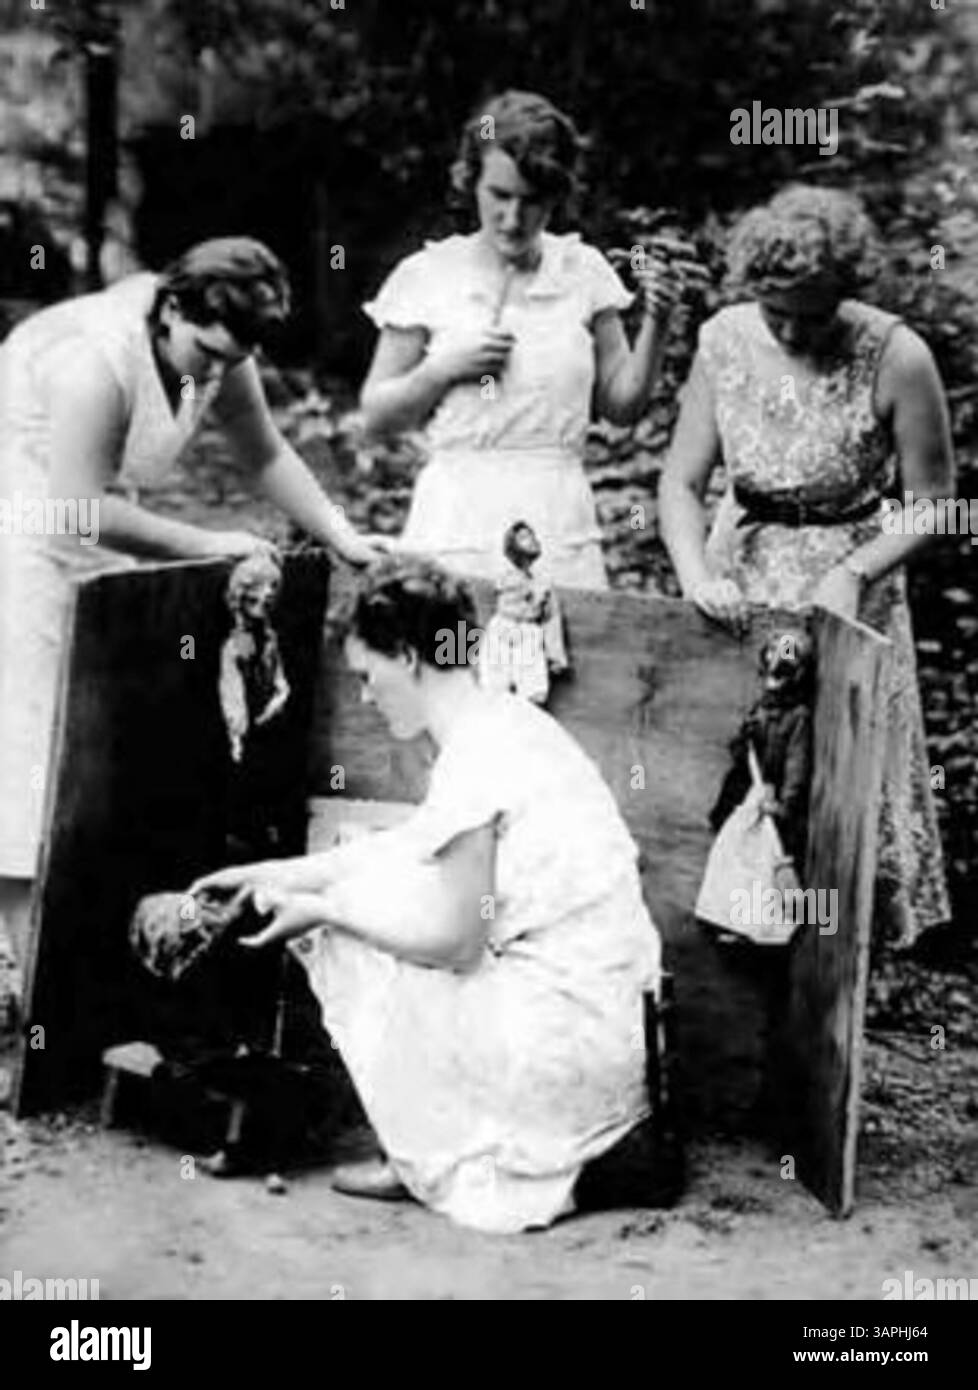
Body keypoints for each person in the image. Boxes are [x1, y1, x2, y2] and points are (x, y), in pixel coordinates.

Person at [192, 556, 668, 1233]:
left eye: (368, 676)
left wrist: (325, 907)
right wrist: (275, 873)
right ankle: (436, 1146)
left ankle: (439, 1157)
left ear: (410, 657)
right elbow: (409, 846)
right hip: (601, 1027)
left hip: (569, 1045)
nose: (364, 696)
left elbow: (456, 939)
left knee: (342, 932)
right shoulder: (500, 720)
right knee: (364, 887)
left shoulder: (478, 752)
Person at [0, 236, 380, 961]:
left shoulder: (220, 347)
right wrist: (206, 543)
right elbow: (78, 509)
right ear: (172, 308)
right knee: (24, 753)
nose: (217, 373)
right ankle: (31, 968)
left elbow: (264, 450)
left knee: (97, 744)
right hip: (20, 535)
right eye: (206, 353)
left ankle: (79, 945)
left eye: (231, 360)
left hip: (91, 540)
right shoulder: (95, 364)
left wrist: (342, 534)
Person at [659, 185, 953, 946]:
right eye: (774, 310)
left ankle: (829, 980)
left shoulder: (897, 354)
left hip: (845, 588)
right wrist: (696, 574)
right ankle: (732, 965)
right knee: (743, 773)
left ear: (845, 294)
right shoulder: (723, 340)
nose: (790, 329)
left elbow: (938, 501)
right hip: (742, 576)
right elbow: (682, 483)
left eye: (812, 314)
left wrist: (859, 569)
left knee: (829, 787)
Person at [359, 89, 677, 589]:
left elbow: (621, 406)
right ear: (472, 183)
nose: (513, 218)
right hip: (456, 517)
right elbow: (376, 415)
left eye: (532, 202)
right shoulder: (428, 275)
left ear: (556, 194)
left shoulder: (583, 271)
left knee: (559, 657)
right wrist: (442, 370)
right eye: (499, 196)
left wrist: (658, 323)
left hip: (556, 516)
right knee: (453, 655)